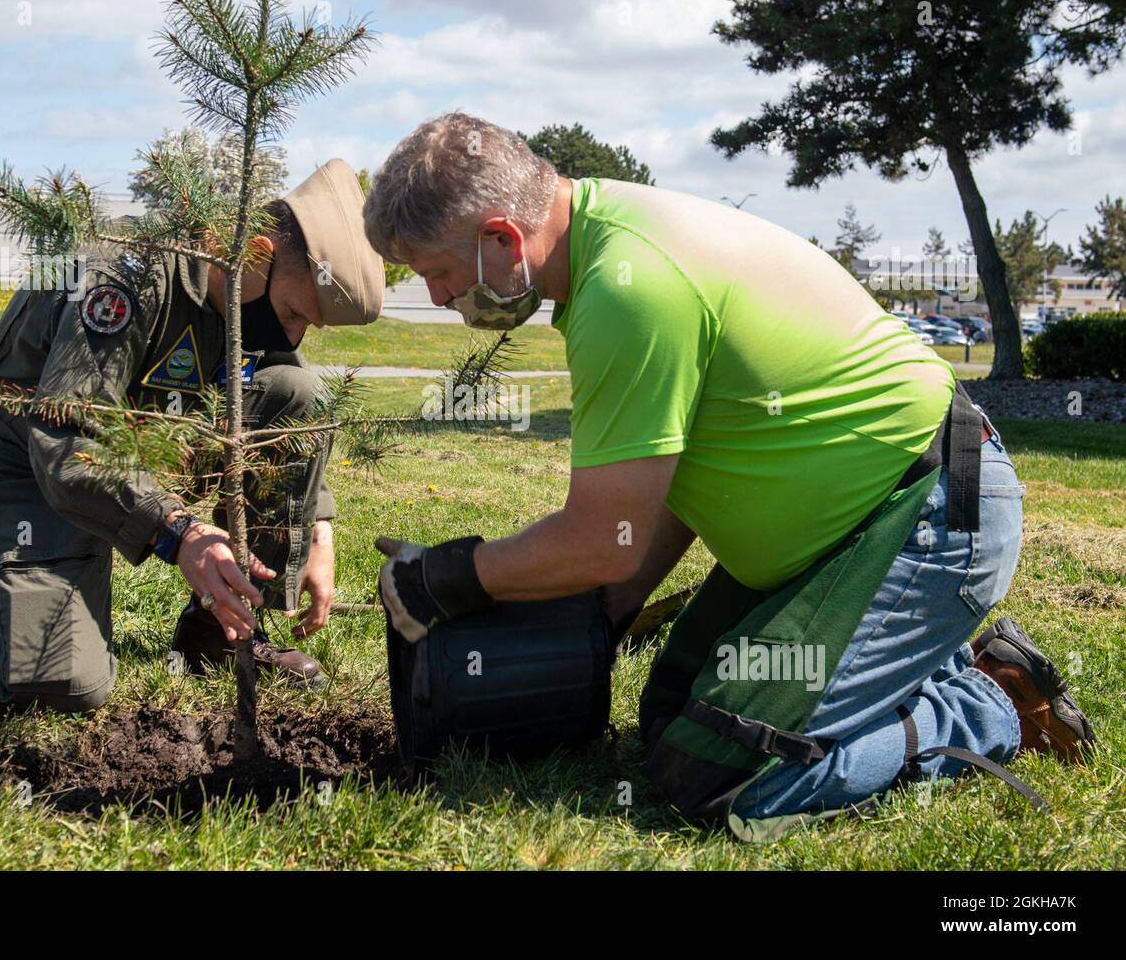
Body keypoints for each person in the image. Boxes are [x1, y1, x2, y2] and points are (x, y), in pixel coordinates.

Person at [364, 113, 1093, 830]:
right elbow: (662, 494)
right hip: (843, 529)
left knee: (723, 771)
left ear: (502, 238)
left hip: (926, 518)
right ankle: (910, 665)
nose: (436, 296)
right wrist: (605, 616)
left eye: (439, 273)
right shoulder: (606, 243)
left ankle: (982, 704)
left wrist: (449, 577)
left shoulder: (629, 286)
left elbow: (601, 541)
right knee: (674, 717)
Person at [0, 159, 384, 712]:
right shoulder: (125, 276)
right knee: (60, 688)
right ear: (254, 251)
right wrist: (179, 533)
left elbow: (287, 397)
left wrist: (318, 530)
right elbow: (69, 435)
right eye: (296, 312)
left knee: (298, 389)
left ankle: (217, 633)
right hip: (30, 463)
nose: (294, 333)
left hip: (147, 440)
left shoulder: (250, 295)